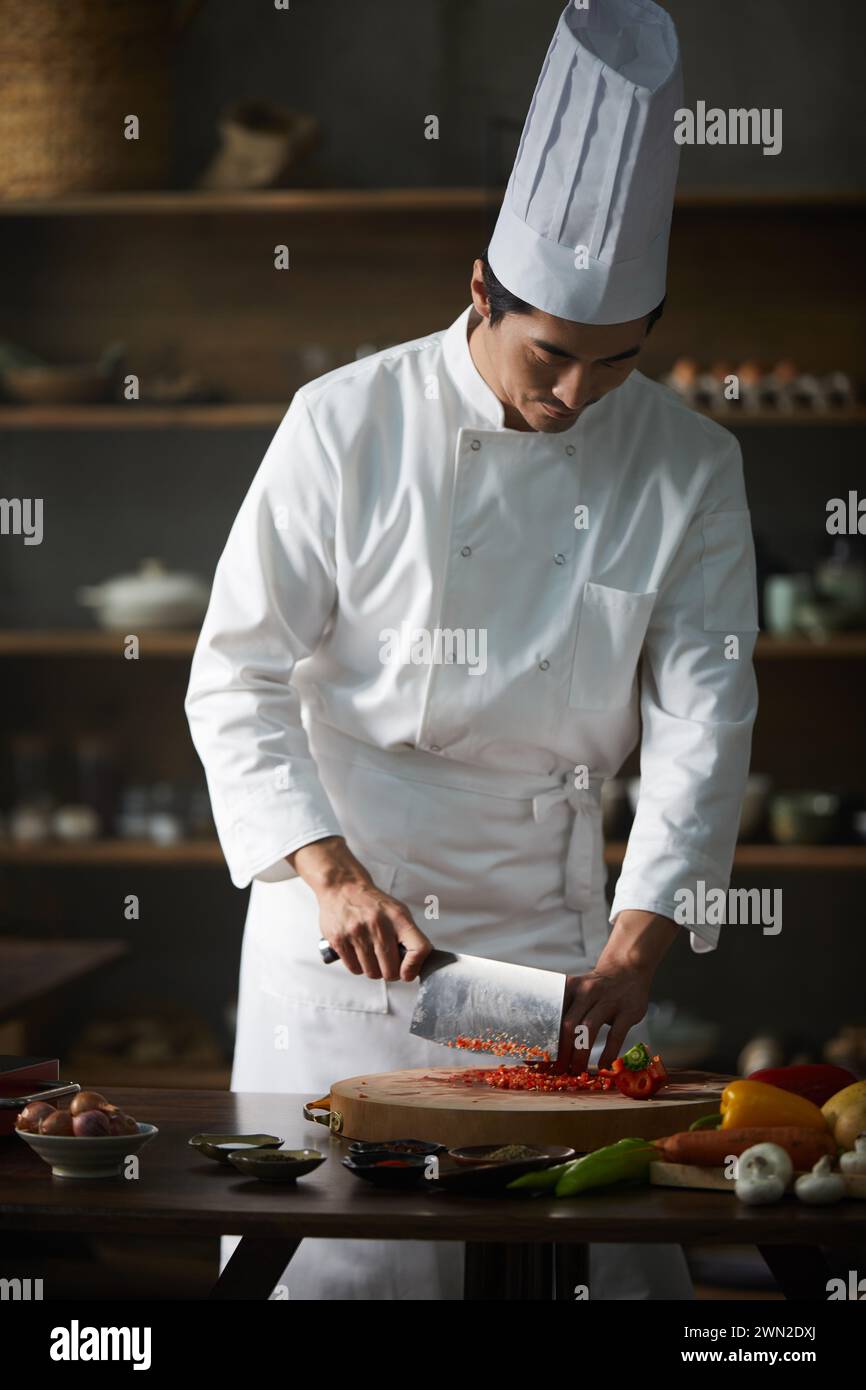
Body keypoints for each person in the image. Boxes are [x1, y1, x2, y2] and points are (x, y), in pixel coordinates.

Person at [185, 0, 758, 1299]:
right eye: (550, 355)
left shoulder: (688, 463)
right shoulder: (342, 423)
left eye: (614, 365)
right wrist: (328, 872)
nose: (573, 398)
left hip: (563, 943)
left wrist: (639, 939)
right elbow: (238, 672)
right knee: (342, 1280)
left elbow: (703, 711)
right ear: (480, 290)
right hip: (348, 934)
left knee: (591, 1279)